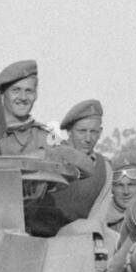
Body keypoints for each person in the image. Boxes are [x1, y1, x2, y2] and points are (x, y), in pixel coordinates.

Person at [27, 98, 112, 236]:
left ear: (100, 132)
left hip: (77, 240)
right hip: (37, 239)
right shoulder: (50, 156)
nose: (88, 138)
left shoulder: (104, 168)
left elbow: (98, 216)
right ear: (70, 131)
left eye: (93, 132)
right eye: (82, 131)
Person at [0, 60, 52, 157]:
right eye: (16, 90)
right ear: (2, 94)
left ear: (35, 95)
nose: (23, 97)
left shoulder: (46, 139)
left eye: (29, 91)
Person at [99, 160, 136, 247]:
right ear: (111, 189)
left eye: (131, 184)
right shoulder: (99, 220)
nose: (126, 191)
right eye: (119, 185)